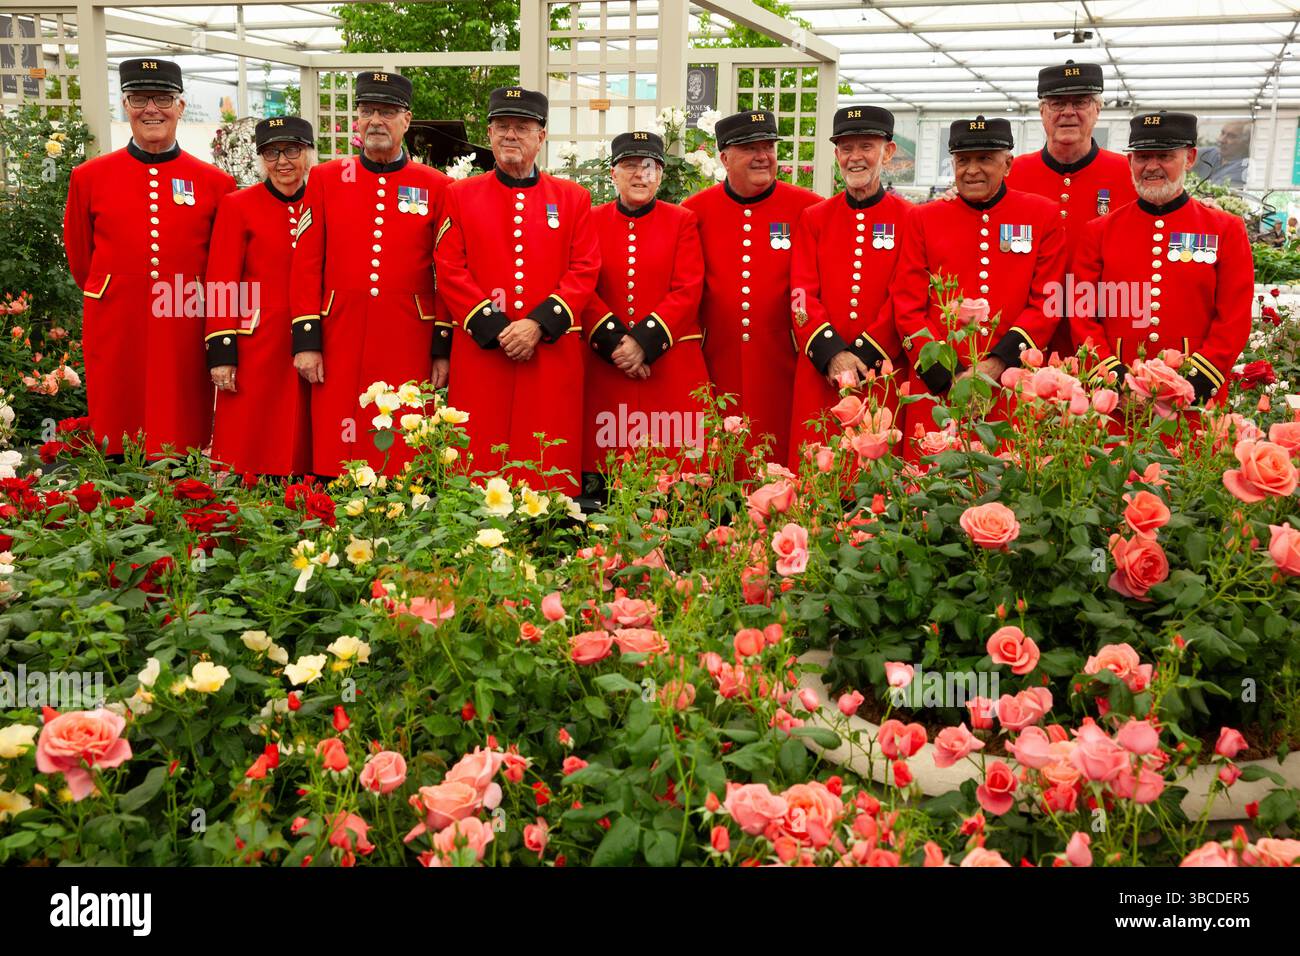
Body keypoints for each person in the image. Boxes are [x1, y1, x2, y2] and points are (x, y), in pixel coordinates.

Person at [63, 58, 236, 457]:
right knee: (117, 413)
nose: (151, 109)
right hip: (116, 317)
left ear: (181, 106)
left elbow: (223, 264)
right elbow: (80, 256)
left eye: (162, 98)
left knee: (180, 418)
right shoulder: (88, 177)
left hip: (183, 318)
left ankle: (181, 492)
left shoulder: (215, 183)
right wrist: (116, 287)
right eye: (140, 98)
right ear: (125, 105)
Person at [434, 86, 599, 493]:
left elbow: (585, 268)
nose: (511, 135)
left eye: (522, 127)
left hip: (550, 353)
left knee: (548, 463)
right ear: (489, 134)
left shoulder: (573, 198)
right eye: (502, 126)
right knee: (479, 462)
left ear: (541, 136)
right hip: (482, 353)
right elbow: (448, 266)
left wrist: (538, 325)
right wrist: (493, 326)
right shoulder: (459, 195)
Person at [290, 71, 452, 477]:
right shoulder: (327, 179)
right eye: (367, 110)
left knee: (404, 440)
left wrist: (441, 345)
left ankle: (404, 507)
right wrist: (306, 339)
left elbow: (447, 270)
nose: (376, 119)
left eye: (387, 111)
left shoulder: (438, 185)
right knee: (337, 433)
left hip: (409, 335)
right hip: (338, 330)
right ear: (357, 120)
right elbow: (307, 262)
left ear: (407, 120)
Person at [891, 116, 1067, 453]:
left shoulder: (1042, 215)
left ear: (1008, 164)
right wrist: (952, 376)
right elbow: (907, 305)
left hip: (1011, 386)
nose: (972, 170)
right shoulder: (923, 218)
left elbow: (1047, 302)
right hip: (938, 388)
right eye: (963, 160)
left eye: (985, 159)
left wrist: (995, 367)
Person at [1071, 112, 1253, 408]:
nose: (1152, 167)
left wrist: (1193, 384)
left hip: (1193, 401)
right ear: (1130, 162)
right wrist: (1113, 380)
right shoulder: (1099, 232)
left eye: (1165, 156)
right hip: (1120, 402)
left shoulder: (1225, 229)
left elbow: (1234, 319)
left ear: (1190, 158)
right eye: (1142, 157)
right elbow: (1082, 315)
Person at [682, 109, 821, 469]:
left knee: (781, 453)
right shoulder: (694, 211)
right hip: (716, 357)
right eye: (749, 148)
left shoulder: (808, 208)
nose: (762, 156)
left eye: (768, 146)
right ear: (725, 158)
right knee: (719, 459)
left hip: (784, 359)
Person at [787, 105, 911, 467]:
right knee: (818, 481)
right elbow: (800, 293)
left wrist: (864, 359)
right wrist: (833, 355)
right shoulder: (815, 218)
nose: (855, 157)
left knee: (876, 486)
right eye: (846, 148)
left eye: (866, 147)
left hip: (882, 375)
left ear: (887, 152)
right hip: (822, 372)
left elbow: (906, 294)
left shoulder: (910, 218)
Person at [581, 131, 708, 481]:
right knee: (605, 470)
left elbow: (687, 288)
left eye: (650, 167)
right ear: (613, 174)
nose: (641, 175)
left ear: (661, 175)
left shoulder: (682, 220)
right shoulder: (590, 220)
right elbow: (582, 284)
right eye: (630, 166)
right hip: (607, 366)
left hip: (668, 366)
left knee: (674, 468)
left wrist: (643, 343)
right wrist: (617, 344)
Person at [204, 116, 315, 476]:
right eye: (271, 152)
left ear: (309, 154)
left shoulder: (323, 201)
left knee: (306, 437)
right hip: (257, 343)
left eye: (292, 150)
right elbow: (221, 281)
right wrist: (222, 351)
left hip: (314, 340)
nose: (282, 161)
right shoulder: (238, 205)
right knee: (252, 442)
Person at [1005, 61, 1138, 359]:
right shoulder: (1010, 174)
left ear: (1097, 110)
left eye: (1080, 102)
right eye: (1057, 103)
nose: (1068, 112)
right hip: (1024, 338)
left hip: (1103, 334)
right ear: (1042, 112)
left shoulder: (1129, 174)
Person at [1192, 120, 1250, 187]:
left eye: (1231, 136)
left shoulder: (1245, 167)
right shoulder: (1212, 153)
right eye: (1222, 133)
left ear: (1246, 142)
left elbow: (1218, 189)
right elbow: (1186, 156)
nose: (1222, 140)